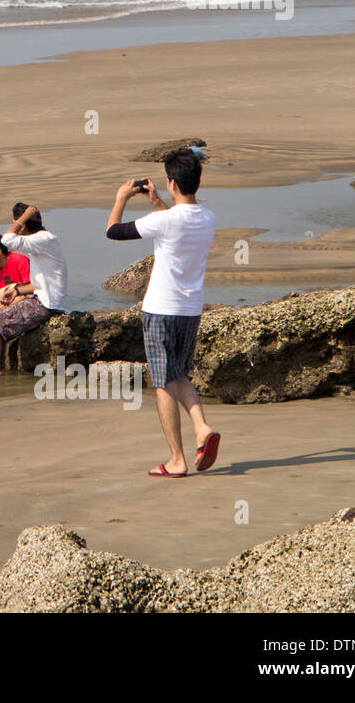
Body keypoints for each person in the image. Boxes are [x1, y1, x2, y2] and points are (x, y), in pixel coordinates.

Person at [106, 148, 219, 478]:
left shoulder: (164, 221)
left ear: (171, 182)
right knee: (178, 374)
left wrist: (121, 197)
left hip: (160, 309)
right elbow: (179, 223)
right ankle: (201, 427)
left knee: (162, 383)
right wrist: (158, 202)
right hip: (190, 309)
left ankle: (177, 460)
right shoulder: (207, 217)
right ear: (197, 181)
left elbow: (113, 231)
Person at [0, 203, 68, 375]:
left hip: (46, 305)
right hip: (41, 299)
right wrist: (17, 290)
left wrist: (22, 218)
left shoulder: (43, 239)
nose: (16, 228)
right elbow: (41, 283)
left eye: (17, 223)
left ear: (23, 224)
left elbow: (6, 241)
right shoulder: (41, 243)